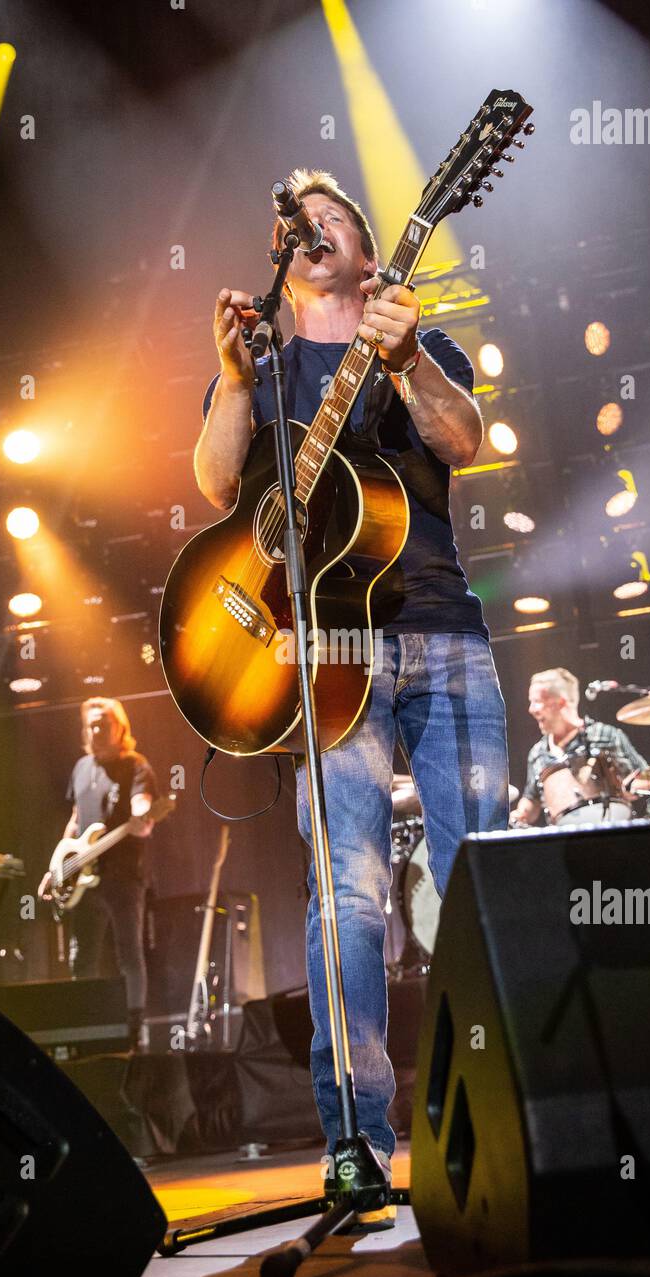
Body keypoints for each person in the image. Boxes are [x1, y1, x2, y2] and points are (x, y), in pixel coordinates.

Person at [194, 168, 509, 1221]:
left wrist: (408, 355)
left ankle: (503, 1113)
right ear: (285, 264)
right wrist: (232, 380)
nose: (309, 227)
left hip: (442, 633)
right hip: (324, 657)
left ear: (369, 252)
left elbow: (465, 442)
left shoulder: (420, 339)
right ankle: (355, 1144)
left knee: (478, 887)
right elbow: (210, 485)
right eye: (295, 222)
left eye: (330, 217)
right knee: (349, 903)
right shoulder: (268, 365)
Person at [38, 697, 157, 1050]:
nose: (97, 731)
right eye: (92, 725)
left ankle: (135, 1029)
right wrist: (56, 867)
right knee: (82, 955)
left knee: (129, 954)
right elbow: (76, 821)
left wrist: (143, 815)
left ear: (120, 727)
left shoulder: (135, 765)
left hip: (123, 877)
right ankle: (83, 1027)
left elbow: (143, 802)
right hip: (82, 880)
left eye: (103, 724)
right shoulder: (81, 768)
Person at [511, 667, 650, 827]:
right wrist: (519, 814)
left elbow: (647, 778)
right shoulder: (537, 753)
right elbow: (532, 800)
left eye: (537, 702)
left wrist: (631, 787)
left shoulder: (605, 735)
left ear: (560, 703)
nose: (531, 709)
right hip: (563, 843)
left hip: (613, 830)